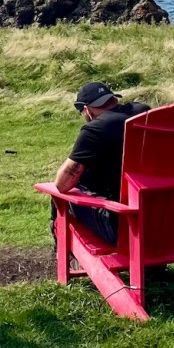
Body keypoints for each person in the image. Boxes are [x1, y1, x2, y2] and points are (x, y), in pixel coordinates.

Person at [51, 81, 150, 247]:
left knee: (61, 196)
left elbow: (62, 184)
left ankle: (63, 250)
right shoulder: (144, 112)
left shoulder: (96, 129)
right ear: (114, 99)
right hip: (163, 220)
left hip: (122, 227)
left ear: (86, 110)